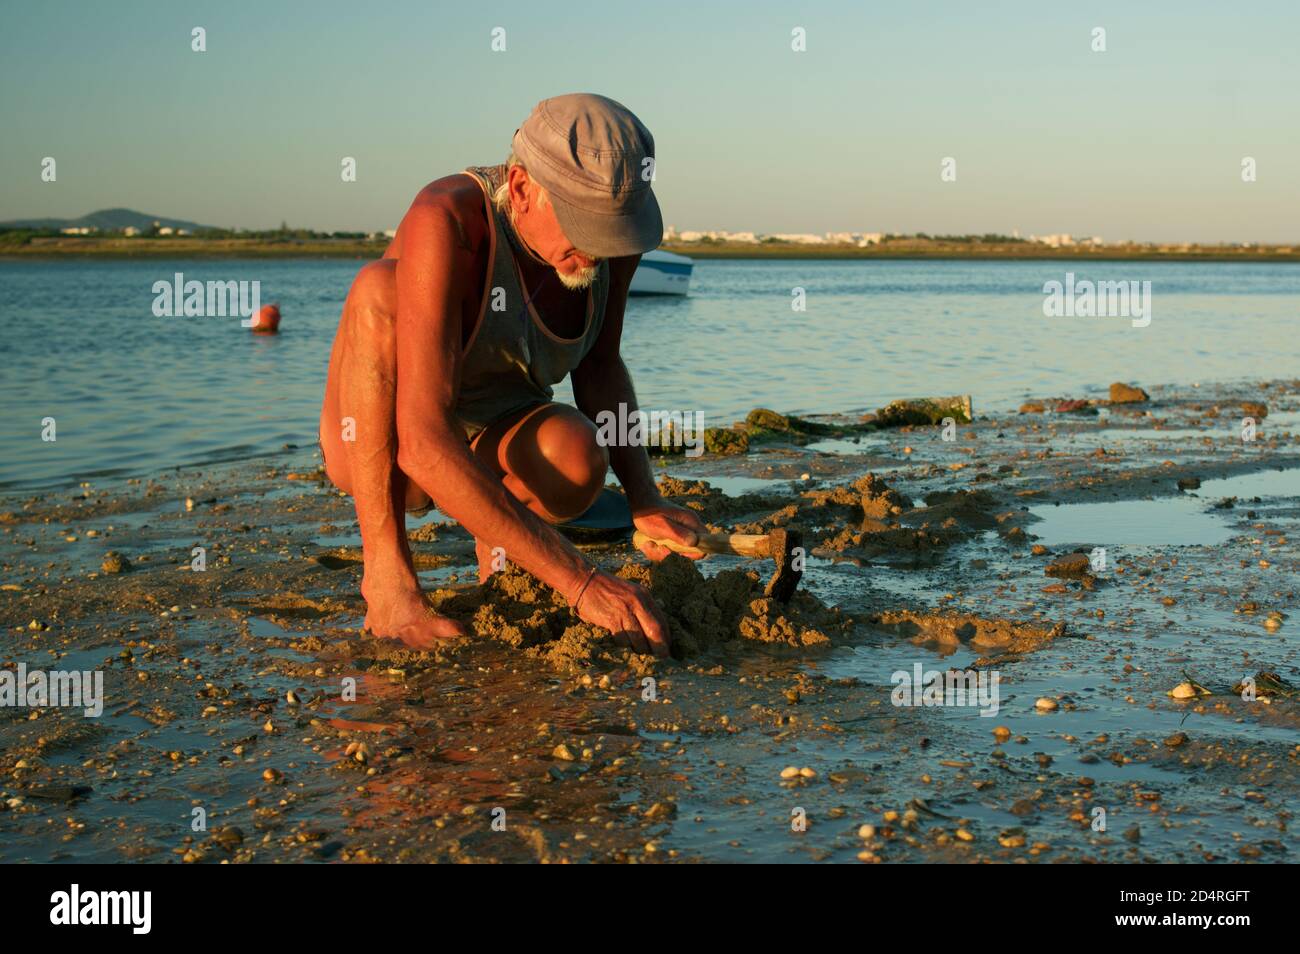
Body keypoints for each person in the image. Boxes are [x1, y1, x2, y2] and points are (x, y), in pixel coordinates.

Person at [319, 93, 705, 657]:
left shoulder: (611, 239)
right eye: (582, 226)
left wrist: (644, 496)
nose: (597, 249)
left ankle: (496, 554)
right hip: (393, 447)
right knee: (379, 289)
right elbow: (424, 441)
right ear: (522, 189)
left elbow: (600, 363)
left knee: (577, 456)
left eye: (608, 231)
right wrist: (583, 582)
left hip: (497, 432)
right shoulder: (448, 218)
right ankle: (386, 576)